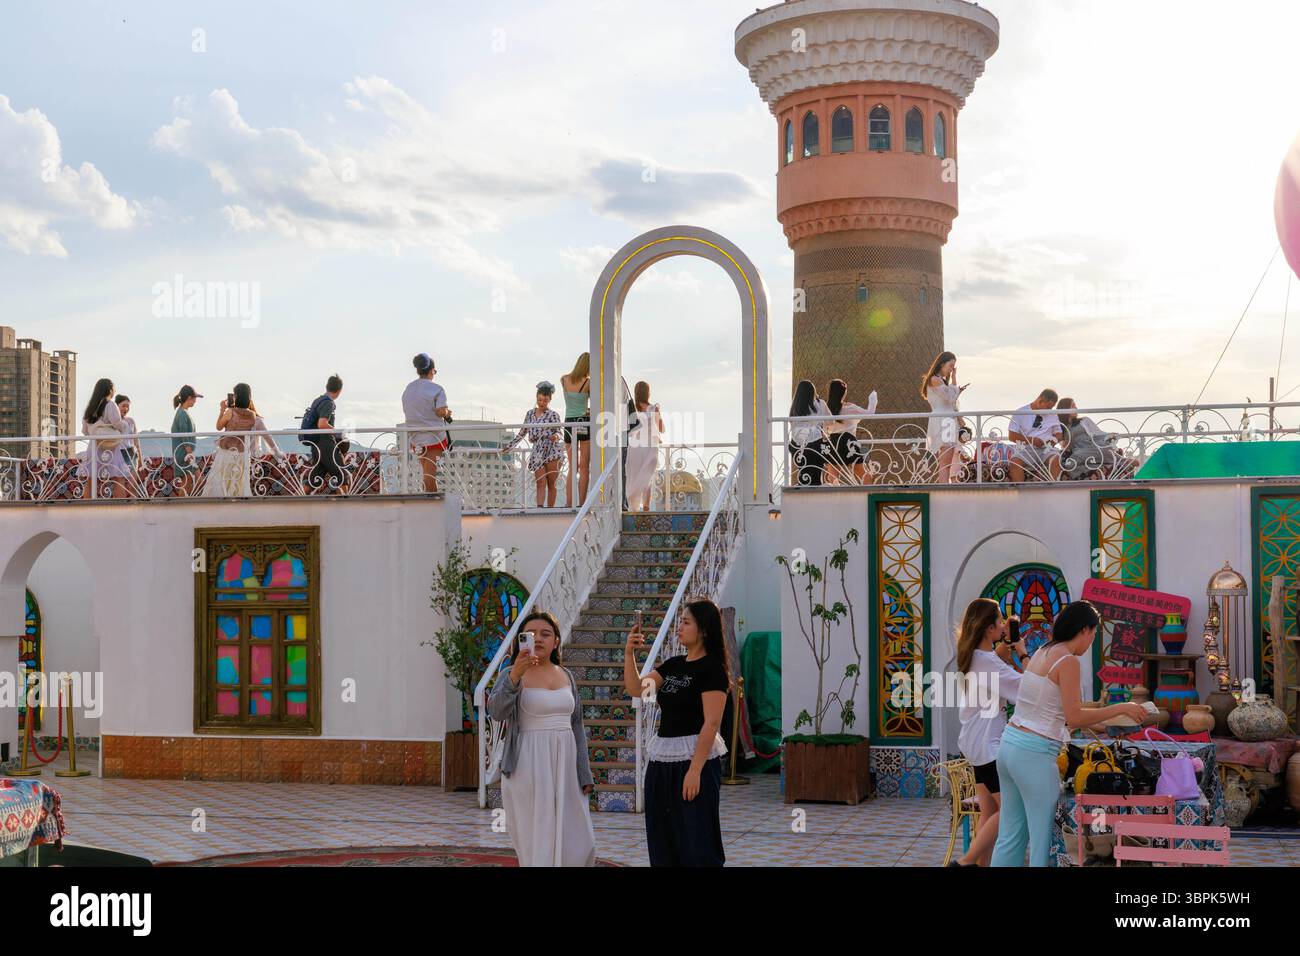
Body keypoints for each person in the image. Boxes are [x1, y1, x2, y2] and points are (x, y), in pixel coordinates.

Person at [989, 600, 1147, 867]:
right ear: (1084, 630)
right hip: (1034, 755)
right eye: (1094, 635)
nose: (1091, 642)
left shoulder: (1043, 651)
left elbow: (1056, 709)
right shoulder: (1068, 661)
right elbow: (1074, 716)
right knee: (1042, 844)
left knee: (1010, 837)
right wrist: (1121, 707)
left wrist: (1106, 721)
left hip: (1009, 747)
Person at [486, 610, 596, 867]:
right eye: (531, 634)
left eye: (545, 634)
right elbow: (496, 711)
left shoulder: (566, 675)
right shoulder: (512, 674)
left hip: (566, 765)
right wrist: (515, 677)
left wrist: (584, 772)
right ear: (519, 641)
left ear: (556, 641)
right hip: (529, 764)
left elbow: (577, 726)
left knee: (581, 839)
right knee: (538, 837)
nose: (538, 638)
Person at [624, 598, 729, 867]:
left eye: (685, 622)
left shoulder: (712, 669)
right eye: (680, 621)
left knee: (696, 841)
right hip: (662, 760)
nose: (678, 627)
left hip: (695, 760)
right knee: (662, 837)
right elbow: (638, 690)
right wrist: (629, 654)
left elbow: (712, 723)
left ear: (704, 629)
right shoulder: (672, 665)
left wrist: (695, 771)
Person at [951, 599, 1026, 867]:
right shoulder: (988, 664)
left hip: (975, 746)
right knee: (1011, 811)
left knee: (990, 811)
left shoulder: (975, 657)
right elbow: (1027, 687)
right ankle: (965, 862)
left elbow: (994, 660)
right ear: (989, 627)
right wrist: (1024, 653)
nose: (1004, 623)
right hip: (989, 747)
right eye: (1000, 619)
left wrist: (1005, 641)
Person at [203, 383, 283, 497]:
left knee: (220, 482)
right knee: (238, 485)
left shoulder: (230, 412)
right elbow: (267, 437)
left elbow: (219, 427)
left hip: (226, 453)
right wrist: (278, 453)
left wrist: (222, 409)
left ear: (236, 396)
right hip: (242, 456)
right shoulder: (253, 416)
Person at [501, 381, 566, 507]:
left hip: (552, 449)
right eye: (540, 400)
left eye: (545, 401)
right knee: (540, 482)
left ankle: (550, 510)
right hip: (537, 450)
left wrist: (556, 437)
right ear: (537, 398)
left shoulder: (553, 415)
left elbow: (559, 431)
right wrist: (510, 446)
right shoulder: (530, 414)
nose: (542, 403)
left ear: (549, 400)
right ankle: (540, 508)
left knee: (551, 483)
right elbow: (522, 432)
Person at [401, 353, 451, 493]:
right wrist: (447, 413)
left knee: (426, 472)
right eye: (434, 371)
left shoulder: (409, 388)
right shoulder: (436, 389)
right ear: (431, 371)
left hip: (415, 436)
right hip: (433, 436)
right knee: (430, 474)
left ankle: (428, 502)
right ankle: (433, 507)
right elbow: (441, 411)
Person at [80, 378, 130, 498]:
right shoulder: (110, 404)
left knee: (91, 479)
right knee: (119, 477)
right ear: (109, 390)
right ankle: (120, 507)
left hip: (94, 446)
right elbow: (117, 423)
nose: (114, 392)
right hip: (110, 445)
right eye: (113, 389)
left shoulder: (90, 407)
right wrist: (124, 426)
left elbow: (85, 431)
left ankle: (87, 507)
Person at [922, 351, 966, 483]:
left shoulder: (941, 381)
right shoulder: (935, 380)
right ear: (942, 363)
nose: (952, 369)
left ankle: (945, 485)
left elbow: (951, 400)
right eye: (951, 365)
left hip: (948, 420)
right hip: (943, 420)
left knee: (949, 457)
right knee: (945, 460)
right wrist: (954, 381)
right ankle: (943, 488)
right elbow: (950, 397)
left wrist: (954, 387)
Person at [823, 378, 877, 485]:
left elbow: (824, 427)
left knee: (833, 477)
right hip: (849, 443)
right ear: (844, 392)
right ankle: (870, 495)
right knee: (863, 473)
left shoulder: (826, 409)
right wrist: (873, 398)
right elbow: (869, 413)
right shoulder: (850, 407)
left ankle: (835, 500)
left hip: (834, 443)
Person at [1055, 397, 1121, 480]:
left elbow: (1099, 433)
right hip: (1080, 451)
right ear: (1065, 408)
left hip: (1094, 445)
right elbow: (1064, 446)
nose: (1076, 408)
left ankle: (1121, 460)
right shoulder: (1061, 427)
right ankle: (1117, 460)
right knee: (1070, 464)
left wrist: (1111, 436)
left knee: (1104, 447)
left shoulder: (1084, 420)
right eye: (1073, 406)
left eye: (1075, 406)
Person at [301, 374, 344, 495]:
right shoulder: (328, 403)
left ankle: (298, 502)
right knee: (342, 474)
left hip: (316, 444)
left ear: (327, 387)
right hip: (326, 443)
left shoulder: (317, 400)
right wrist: (337, 431)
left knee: (314, 479)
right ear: (339, 390)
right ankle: (348, 505)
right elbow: (322, 424)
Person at [1007, 389, 1062, 482]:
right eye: (1048, 407)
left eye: (1051, 408)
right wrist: (1031, 440)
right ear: (1040, 401)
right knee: (1015, 463)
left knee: (1056, 460)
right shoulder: (1021, 412)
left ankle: (1053, 492)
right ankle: (1021, 493)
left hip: (1047, 449)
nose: (1049, 410)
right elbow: (1011, 436)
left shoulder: (1052, 414)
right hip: (1026, 448)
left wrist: (1053, 441)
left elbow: (1059, 434)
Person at [625, 380, 664, 510]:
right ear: (648, 393)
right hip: (650, 446)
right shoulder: (654, 408)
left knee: (634, 475)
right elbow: (662, 429)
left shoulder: (632, 409)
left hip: (635, 446)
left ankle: (633, 504)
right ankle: (646, 506)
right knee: (647, 476)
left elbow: (629, 428)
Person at [560, 352, 591, 507]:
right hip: (583, 423)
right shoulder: (588, 382)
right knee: (584, 465)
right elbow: (591, 407)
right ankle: (582, 503)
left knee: (573, 466)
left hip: (568, 423)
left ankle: (568, 502)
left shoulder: (564, 379)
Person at [788, 380, 831, 487]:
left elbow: (792, 425)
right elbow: (831, 421)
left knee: (805, 473)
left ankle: (803, 489)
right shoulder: (820, 403)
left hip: (796, 445)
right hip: (814, 443)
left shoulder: (795, 408)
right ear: (813, 392)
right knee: (816, 475)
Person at [170, 385, 203, 496]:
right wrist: (189, 454)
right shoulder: (182, 413)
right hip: (184, 453)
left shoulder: (182, 412)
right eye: (195, 398)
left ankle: (181, 507)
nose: (195, 401)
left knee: (190, 482)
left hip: (184, 453)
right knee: (191, 482)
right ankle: (180, 508)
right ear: (189, 398)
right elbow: (184, 436)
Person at [114, 395, 142, 471]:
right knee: (120, 479)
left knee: (133, 479)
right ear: (116, 406)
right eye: (123, 406)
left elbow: (136, 440)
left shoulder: (131, 421)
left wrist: (140, 457)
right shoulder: (112, 421)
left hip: (131, 452)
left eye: (127, 406)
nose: (126, 409)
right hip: (118, 452)